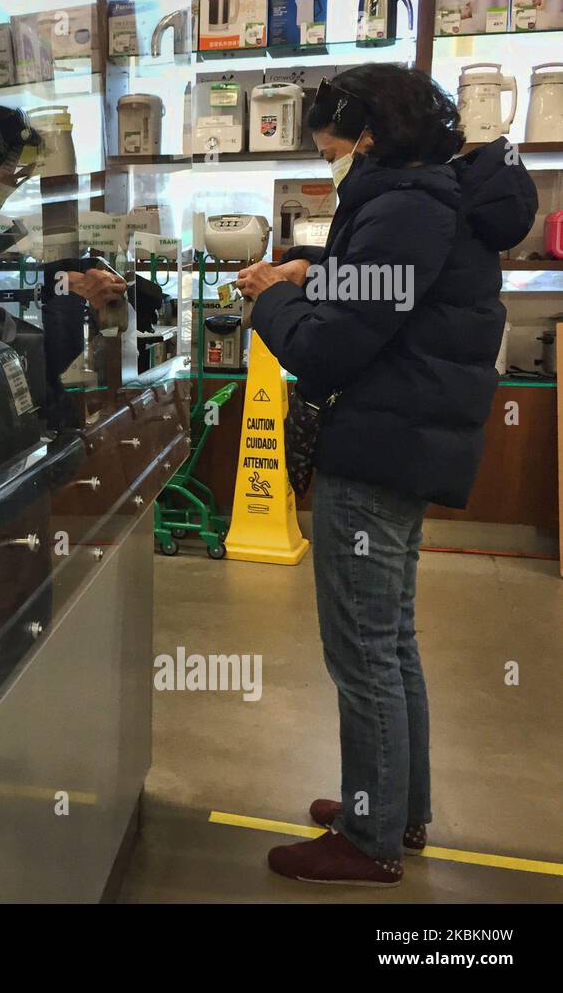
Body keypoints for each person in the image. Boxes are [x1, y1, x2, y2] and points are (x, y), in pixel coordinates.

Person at [235, 64, 536, 886]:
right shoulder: (430, 199)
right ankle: (394, 808)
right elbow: (392, 296)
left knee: (362, 650)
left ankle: (367, 840)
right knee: (391, 641)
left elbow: (331, 348)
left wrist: (268, 298)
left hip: (375, 452)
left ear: (365, 134)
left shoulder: (400, 207)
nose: (327, 156)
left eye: (329, 141)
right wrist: (311, 266)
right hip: (407, 445)